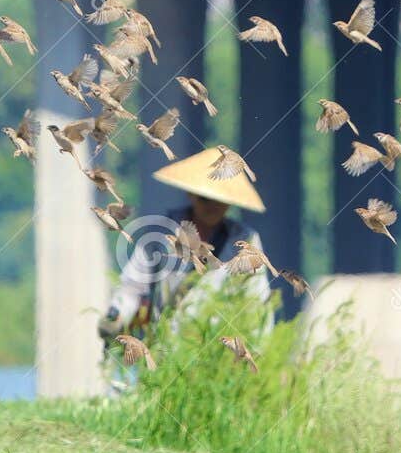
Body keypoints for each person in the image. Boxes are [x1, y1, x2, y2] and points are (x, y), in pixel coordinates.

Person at [97, 145, 271, 345]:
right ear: (190, 193)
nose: (213, 207)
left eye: (220, 200)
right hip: (167, 348)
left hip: (217, 352)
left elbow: (255, 302)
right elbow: (133, 286)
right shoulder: (162, 231)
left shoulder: (245, 240)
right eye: (206, 198)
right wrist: (116, 316)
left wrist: (255, 351)